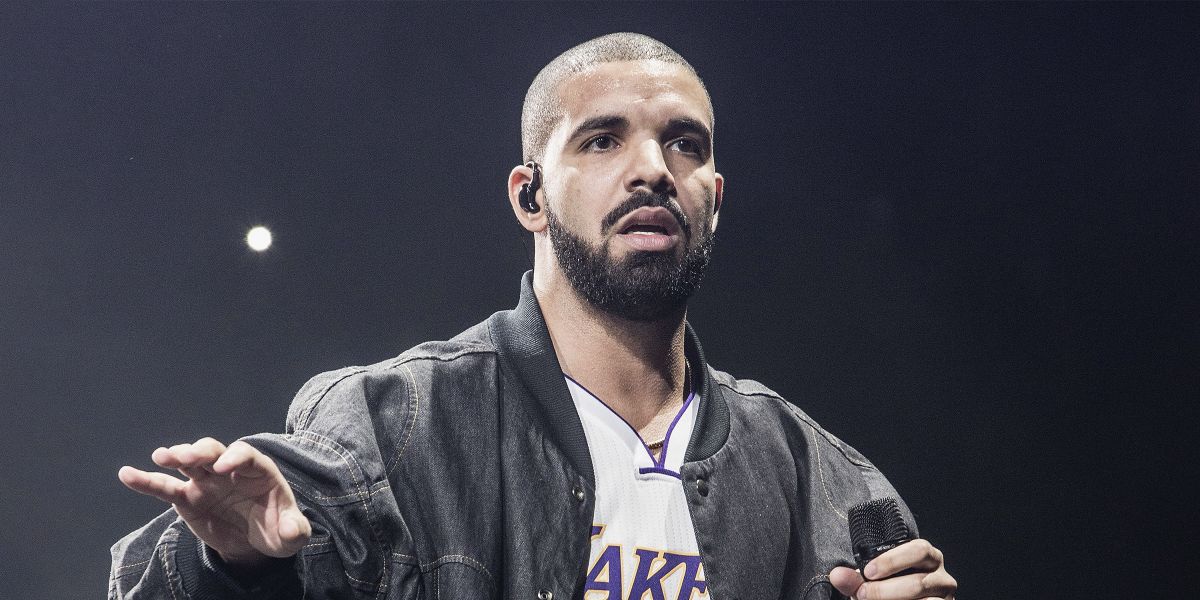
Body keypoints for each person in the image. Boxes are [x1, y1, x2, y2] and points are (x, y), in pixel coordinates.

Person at [111, 32, 956, 600]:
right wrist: (233, 564)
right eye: (602, 140)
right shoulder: (396, 425)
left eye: (685, 144)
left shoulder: (820, 479)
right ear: (530, 195)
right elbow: (141, 580)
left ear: (715, 198)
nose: (652, 169)